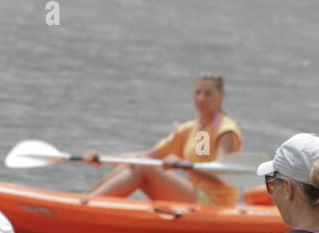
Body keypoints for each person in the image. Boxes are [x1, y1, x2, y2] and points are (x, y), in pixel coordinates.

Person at [81, 72, 243, 206]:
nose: (201, 99)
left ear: (221, 96)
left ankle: (86, 207)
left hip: (215, 202)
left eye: (208, 94)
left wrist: (186, 166)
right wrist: (102, 157)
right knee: (138, 161)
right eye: (197, 93)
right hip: (194, 193)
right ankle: (84, 200)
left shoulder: (224, 130)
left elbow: (224, 174)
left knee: (143, 167)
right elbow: (148, 156)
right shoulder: (193, 128)